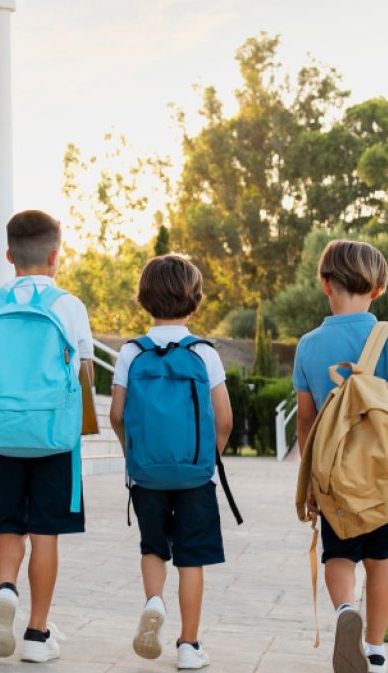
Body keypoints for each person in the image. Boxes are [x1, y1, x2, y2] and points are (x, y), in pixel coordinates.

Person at [0, 210, 95, 664]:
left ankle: (6, 588)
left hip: (3, 434)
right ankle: (37, 632)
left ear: (9, 256)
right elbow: (85, 377)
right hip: (54, 437)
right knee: (45, 532)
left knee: (11, 523)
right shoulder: (69, 306)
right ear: (55, 256)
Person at [293, 239, 388, 673]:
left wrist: (311, 478)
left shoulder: (309, 344)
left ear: (325, 284)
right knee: (380, 561)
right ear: (378, 288)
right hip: (385, 472)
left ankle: (346, 610)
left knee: (339, 556)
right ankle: (377, 651)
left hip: (334, 473)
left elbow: (306, 420)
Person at [109, 254, 234, 671]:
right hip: (196, 475)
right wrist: (207, 459)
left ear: (143, 299)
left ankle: (154, 601)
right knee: (191, 558)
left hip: (146, 473)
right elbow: (224, 419)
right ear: (194, 300)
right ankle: (189, 645)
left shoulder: (131, 352)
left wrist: (132, 454)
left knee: (153, 547)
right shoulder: (204, 353)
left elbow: (116, 413)